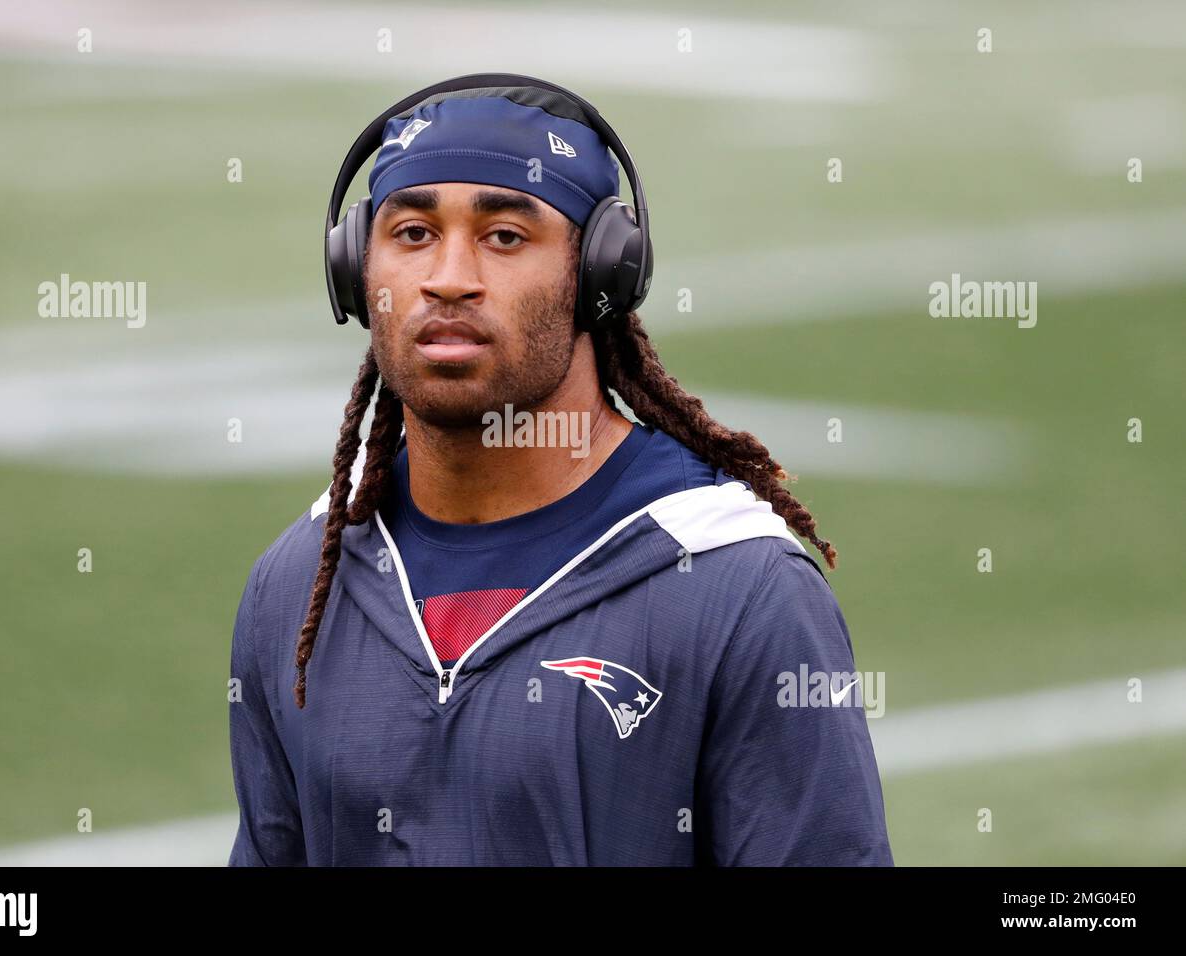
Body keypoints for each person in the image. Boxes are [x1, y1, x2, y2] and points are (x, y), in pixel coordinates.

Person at [228, 76, 893, 866]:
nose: (448, 276)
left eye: (505, 236)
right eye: (411, 233)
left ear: (600, 276)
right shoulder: (301, 582)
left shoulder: (736, 584)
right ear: (353, 271)